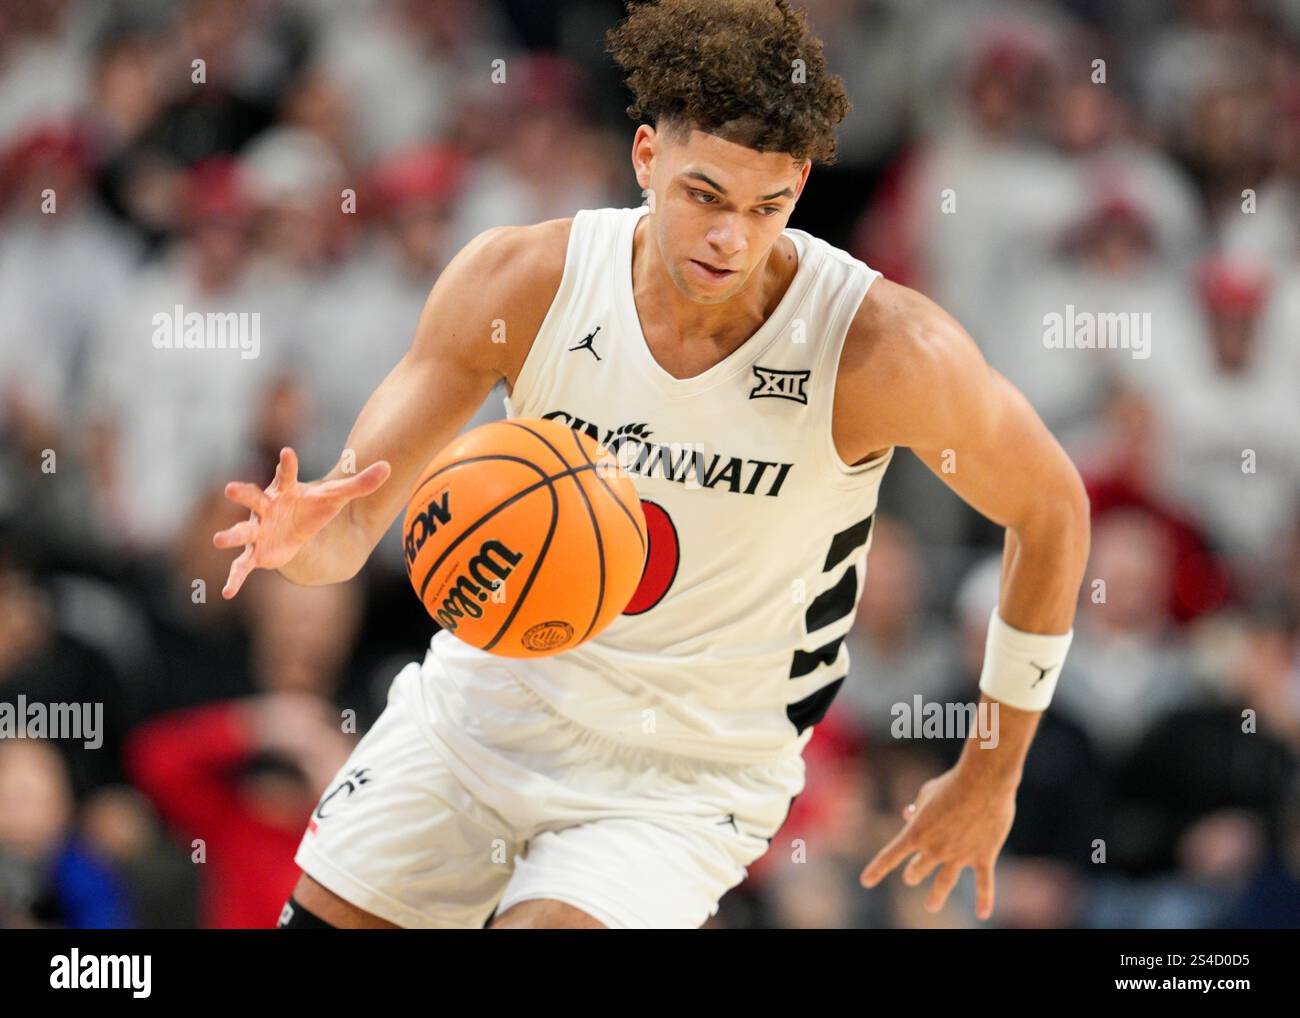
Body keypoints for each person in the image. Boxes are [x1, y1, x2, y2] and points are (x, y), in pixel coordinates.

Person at [213, 0, 1090, 929]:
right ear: (645, 157)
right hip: (484, 707)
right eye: (704, 196)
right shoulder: (524, 282)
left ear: (798, 184)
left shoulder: (884, 351)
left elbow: (1053, 512)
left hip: (686, 771)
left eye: (764, 208)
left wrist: (992, 772)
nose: (730, 240)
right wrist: (300, 544)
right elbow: (345, 527)